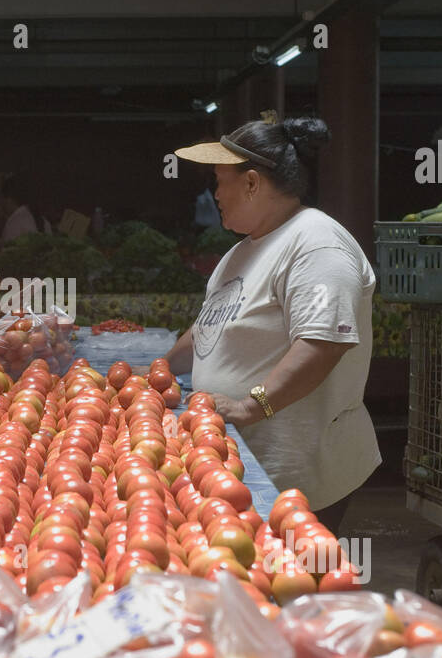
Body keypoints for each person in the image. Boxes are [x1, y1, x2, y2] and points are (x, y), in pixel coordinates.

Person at [158, 115, 381, 534]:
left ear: (252, 183)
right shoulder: (245, 249)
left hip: (299, 475)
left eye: (220, 181)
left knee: (286, 587)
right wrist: (158, 370)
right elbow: (212, 328)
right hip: (242, 462)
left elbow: (322, 344)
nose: (215, 194)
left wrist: (248, 407)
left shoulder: (317, 244)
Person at [0, 172, 40, 242]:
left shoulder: (14, 222)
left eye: (2, 199)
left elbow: (7, 251)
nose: (1, 204)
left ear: (9, 200)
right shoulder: (28, 215)